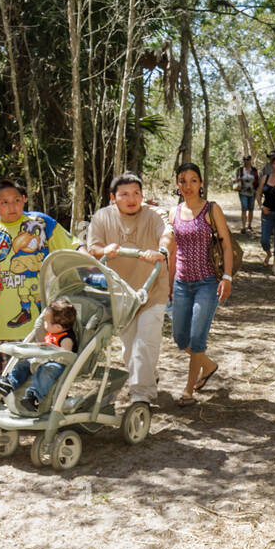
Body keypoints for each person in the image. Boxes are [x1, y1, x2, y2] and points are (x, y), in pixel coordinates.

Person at [0, 177, 75, 381]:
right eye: (4, 202)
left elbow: (73, 246)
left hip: (37, 324)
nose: (12, 207)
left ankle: (29, 409)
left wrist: (90, 256)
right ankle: (0, 410)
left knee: (32, 375)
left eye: (17, 200)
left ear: (24, 200)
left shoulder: (40, 223)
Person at [84, 172, 172, 406]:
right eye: (124, 194)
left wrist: (161, 252)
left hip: (152, 289)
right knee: (129, 346)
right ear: (113, 197)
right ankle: (148, 377)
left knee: (147, 339)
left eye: (136, 194)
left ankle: (141, 395)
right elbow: (92, 247)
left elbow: (166, 235)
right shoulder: (102, 217)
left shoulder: (154, 215)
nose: (131, 199)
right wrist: (105, 250)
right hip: (121, 292)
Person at [166, 163, 233, 405]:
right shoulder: (174, 213)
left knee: (196, 339)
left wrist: (227, 277)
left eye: (193, 180)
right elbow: (173, 253)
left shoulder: (211, 209)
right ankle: (209, 365)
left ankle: (188, 391)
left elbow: (225, 245)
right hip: (182, 283)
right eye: (182, 180)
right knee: (180, 338)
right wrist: (170, 285)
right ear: (177, 185)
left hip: (207, 283)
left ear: (201, 183)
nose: (188, 185)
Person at [0, 298, 78, 413]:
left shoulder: (67, 338)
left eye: (46, 322)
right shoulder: (52, 332)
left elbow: (65, 356)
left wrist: (50, 349)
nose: (43, 324)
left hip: (55, 365)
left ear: (58, 327)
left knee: (47, 372)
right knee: (22, 364)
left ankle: (34, 397)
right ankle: (9, 383)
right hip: (41, 360)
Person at [233, 156, 260, 233]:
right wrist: (237, 179)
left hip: (252, 192)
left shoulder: (254, 170)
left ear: (250, 160)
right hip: (242, 192)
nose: (246, 161)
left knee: (251, 209)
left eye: (248, 159)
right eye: (244, 159)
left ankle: (250, 225)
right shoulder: (240, 170)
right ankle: (244, 226)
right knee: (244, 208)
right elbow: (234, 180)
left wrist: (258, 190)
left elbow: (257, 180)